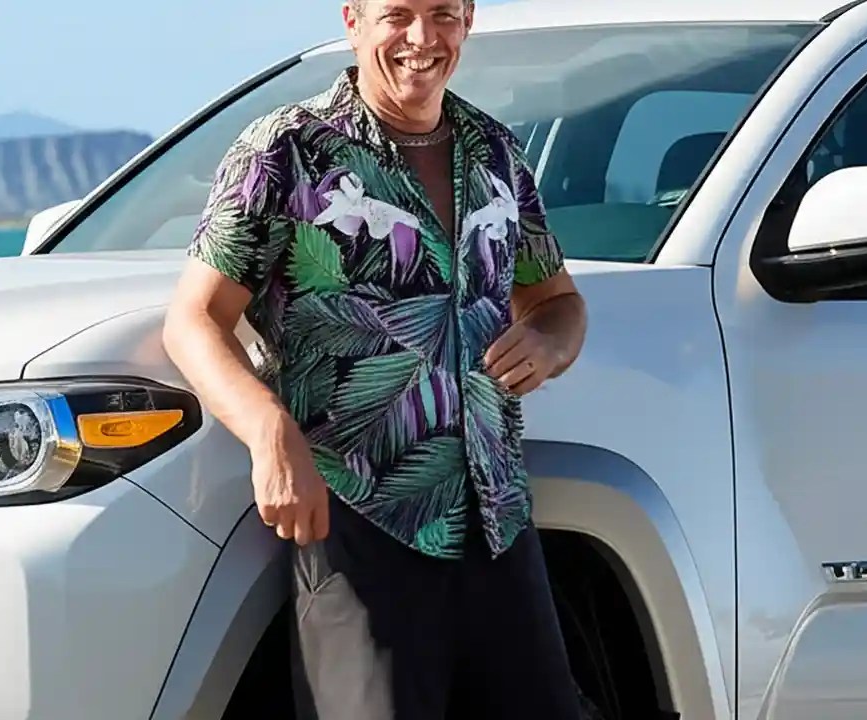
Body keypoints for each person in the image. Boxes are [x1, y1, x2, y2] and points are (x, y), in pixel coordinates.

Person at [161, 0, 589, 717]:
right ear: (353, 19)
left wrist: (549, 341)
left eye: (442, 14)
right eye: (398, 14)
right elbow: (194, 321)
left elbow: (557, 301)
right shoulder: (286, 151)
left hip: (498, 520)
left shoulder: (497, 152)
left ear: (469, 19)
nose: (422, 39)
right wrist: (271, 435)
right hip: (359, 519)